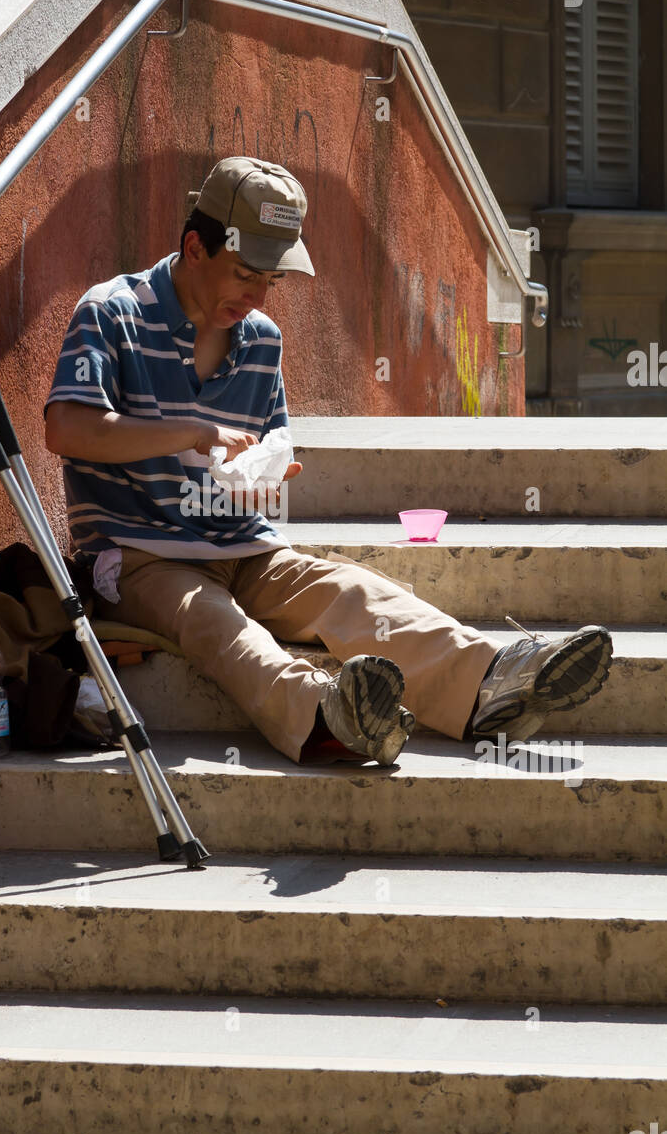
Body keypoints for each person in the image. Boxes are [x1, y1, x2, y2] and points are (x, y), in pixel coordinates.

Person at [44, 156, 612, 766]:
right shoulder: (111, 312)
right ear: (194, 246)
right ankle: (330, 716)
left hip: (244, 546)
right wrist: (191, 430)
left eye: (271, 280)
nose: (258, 295)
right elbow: (66, 429)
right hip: (138, 556)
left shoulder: (261, 338)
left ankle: (491, 684)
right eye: (244, 273)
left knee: (351, 591)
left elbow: (267, 445)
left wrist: (263, 479)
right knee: (213, 622)